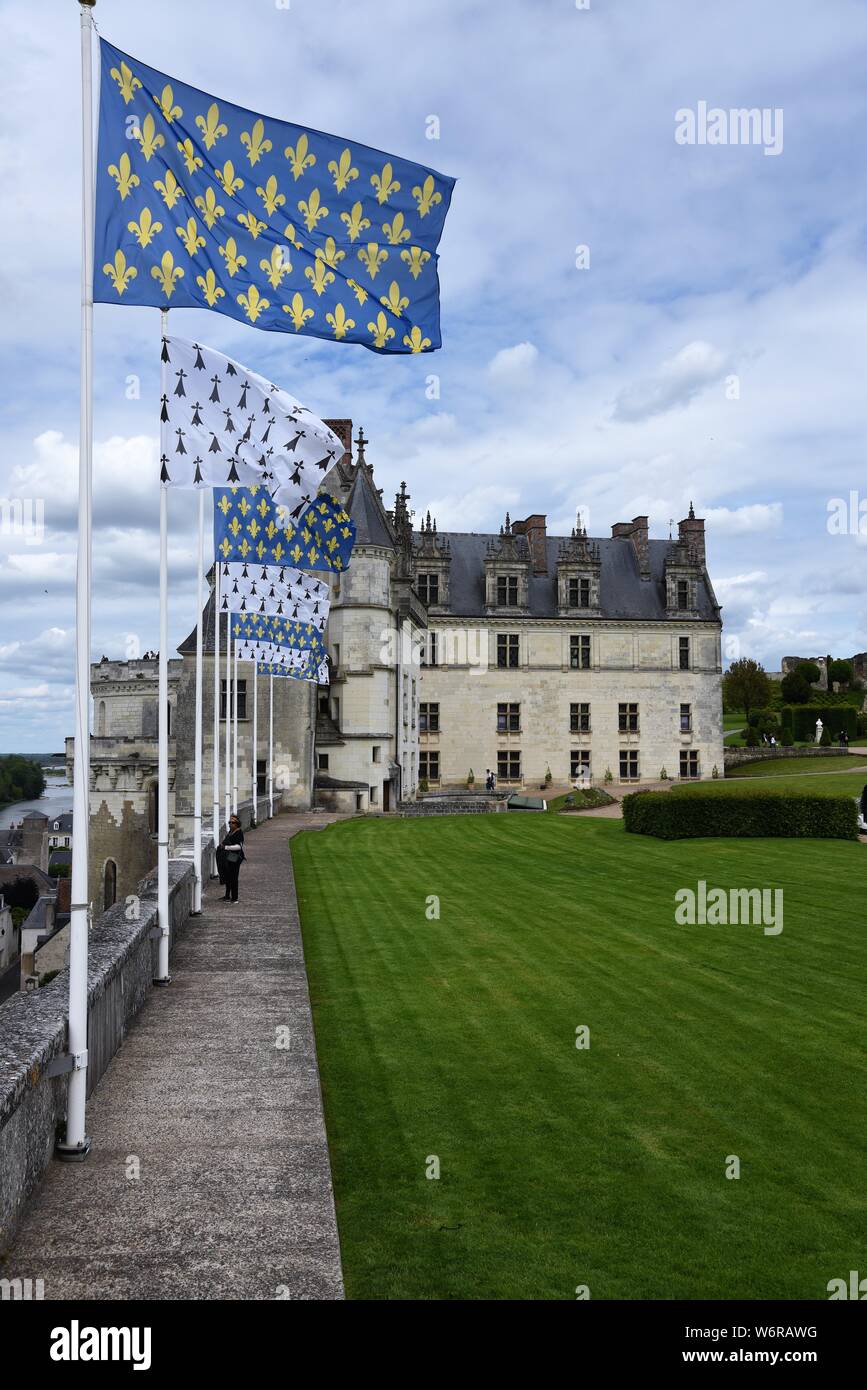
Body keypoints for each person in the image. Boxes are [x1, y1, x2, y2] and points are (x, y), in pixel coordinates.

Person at [220, 815, 245, 902]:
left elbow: (239, 847)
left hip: (235, 858)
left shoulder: (239, 833)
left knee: (233, 878)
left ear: (237, 824)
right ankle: (227, 896)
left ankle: (234, 898)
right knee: (228, 877)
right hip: (228, 857)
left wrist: (226, 847)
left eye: (233, 822)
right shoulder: (231, 831)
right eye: (229, 822)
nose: (230, 824)